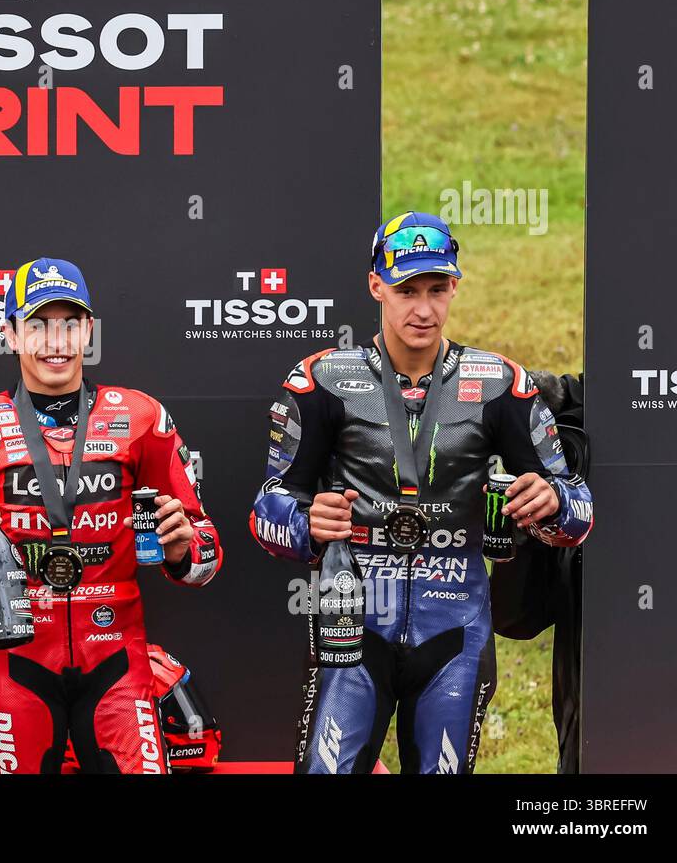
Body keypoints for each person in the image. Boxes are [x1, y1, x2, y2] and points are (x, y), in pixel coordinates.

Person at [249, 212, 593, 774]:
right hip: (351, 631)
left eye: (438, 289)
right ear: (375, 285)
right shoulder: (321, 381)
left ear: (455, 285)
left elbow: (577, 509)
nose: (424, 309)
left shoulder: (502, 383)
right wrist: (303, 521)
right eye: (407, 290)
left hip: (455, 634)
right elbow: (268, 506)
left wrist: (552, 505)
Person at [0, 257, 222, 774]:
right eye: (38, 325)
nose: (56, 341)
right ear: (11, 334)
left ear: (89, 330)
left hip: (117, 659)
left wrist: (182, 549)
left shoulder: (142, 418)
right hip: (14, 663)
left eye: (69, 324)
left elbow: (208, 556)